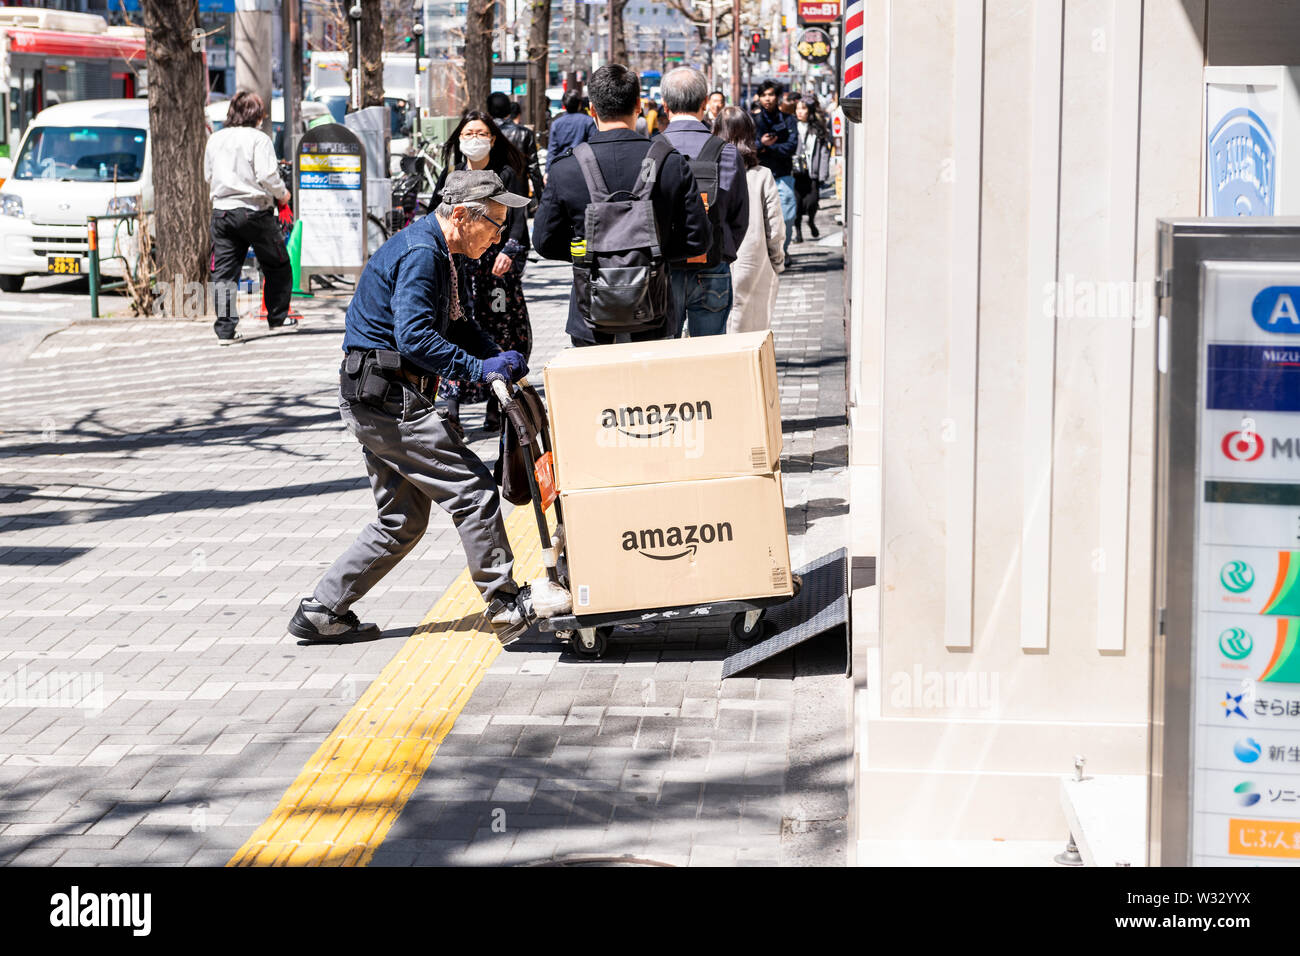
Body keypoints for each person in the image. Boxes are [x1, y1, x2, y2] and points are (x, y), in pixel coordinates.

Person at [288, 170, 537, 644]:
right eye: (495, 224)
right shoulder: (424, 253)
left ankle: (323, 610)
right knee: (473, 491)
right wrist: (480, 370)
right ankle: (504, 605)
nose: (499, 236)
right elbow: (416, 336)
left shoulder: (443, 251)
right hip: (387, 399)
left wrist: (493, 356)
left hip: (376, 397)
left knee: (401, 520)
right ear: (462, 216)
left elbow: (456, 325)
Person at [533, 63, 711, 346]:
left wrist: (589, 254)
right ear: (638, 106)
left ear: (592, 110)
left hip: (588, 313)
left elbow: (544, 241)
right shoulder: (670, 163)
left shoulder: (566, 168)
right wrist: (654, 251)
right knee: (653, 391)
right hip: (654, 311)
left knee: (596, 389)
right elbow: (698, 239)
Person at [431, 111, 532, 436]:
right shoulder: (451, 177)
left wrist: (509, 252)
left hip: (497, 275)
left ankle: (497, 406)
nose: (474, 138)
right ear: (459, 138)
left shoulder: (507, 175)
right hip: (461, 272)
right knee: (455, 329)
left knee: (499, 335)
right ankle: (452, 410)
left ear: (492, 137)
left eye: (481, 132)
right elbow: (436, 219)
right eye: (468, 132)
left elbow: (517, 225)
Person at [660, 67, 749, 337]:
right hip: (712, 265)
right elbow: (739, 217)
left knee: (664, 352)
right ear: (704, 104)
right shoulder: (727, 152)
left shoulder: (652, 150)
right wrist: (721, 252)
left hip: (664, 269)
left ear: (665, 106)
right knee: (709, 356)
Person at [204, 91, 295, 344]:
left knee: (223, 273)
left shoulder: (215, 139)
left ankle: (225, 331)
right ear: (256, 116)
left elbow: (207, 175)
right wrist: (283, 194)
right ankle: (277, 317)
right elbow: (267, 175)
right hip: (254, 211)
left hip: (222, 211)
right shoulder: (259, 139)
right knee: (277, 264)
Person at [715, 107, 784, 334]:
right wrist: (776, 263)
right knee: (753, 335)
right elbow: (775, 227)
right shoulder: (761, 175)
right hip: (755, 262)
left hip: (717, 263)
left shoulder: (708, 172)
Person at [753, 81, 797, 269]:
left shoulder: (788, 120)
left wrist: (769, 148)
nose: (767, 99)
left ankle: (782, 250)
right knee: (761, 217)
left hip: (783, 173)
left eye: (771, 94)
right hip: (759, 174)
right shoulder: (753, 121)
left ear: (777, 96)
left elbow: (791, 147)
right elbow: (749, 146)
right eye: (764, 95)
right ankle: (769, 255)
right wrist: (762, 144)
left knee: (788, 214)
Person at [488, 93, 544, 214]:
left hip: (490, 191)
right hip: (518, 192)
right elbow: (533, 169)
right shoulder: (524, 133)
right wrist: (541, 198)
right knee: (517, 229)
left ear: (488, 110)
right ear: (508, 110)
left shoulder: (485, 133)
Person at [792, 96, 831, 243]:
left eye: (803, 109)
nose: (800, 112)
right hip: (795, 172)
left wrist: (823, 173)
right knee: (796, 204)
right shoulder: (792, 127)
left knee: (812, 202)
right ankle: (798, 233)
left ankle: (811, 220)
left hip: (811, 171)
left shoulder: (818, 129)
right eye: (798, 109)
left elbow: (824, 152)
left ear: (810, 111)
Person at [546, 89, 595, 172]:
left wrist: (548, 171)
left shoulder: (556, 123)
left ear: (564, 104)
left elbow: (552, 150)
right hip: (583, 166)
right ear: (579, 104)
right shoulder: (588, 121)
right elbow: (593, 145)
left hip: (561, 165)